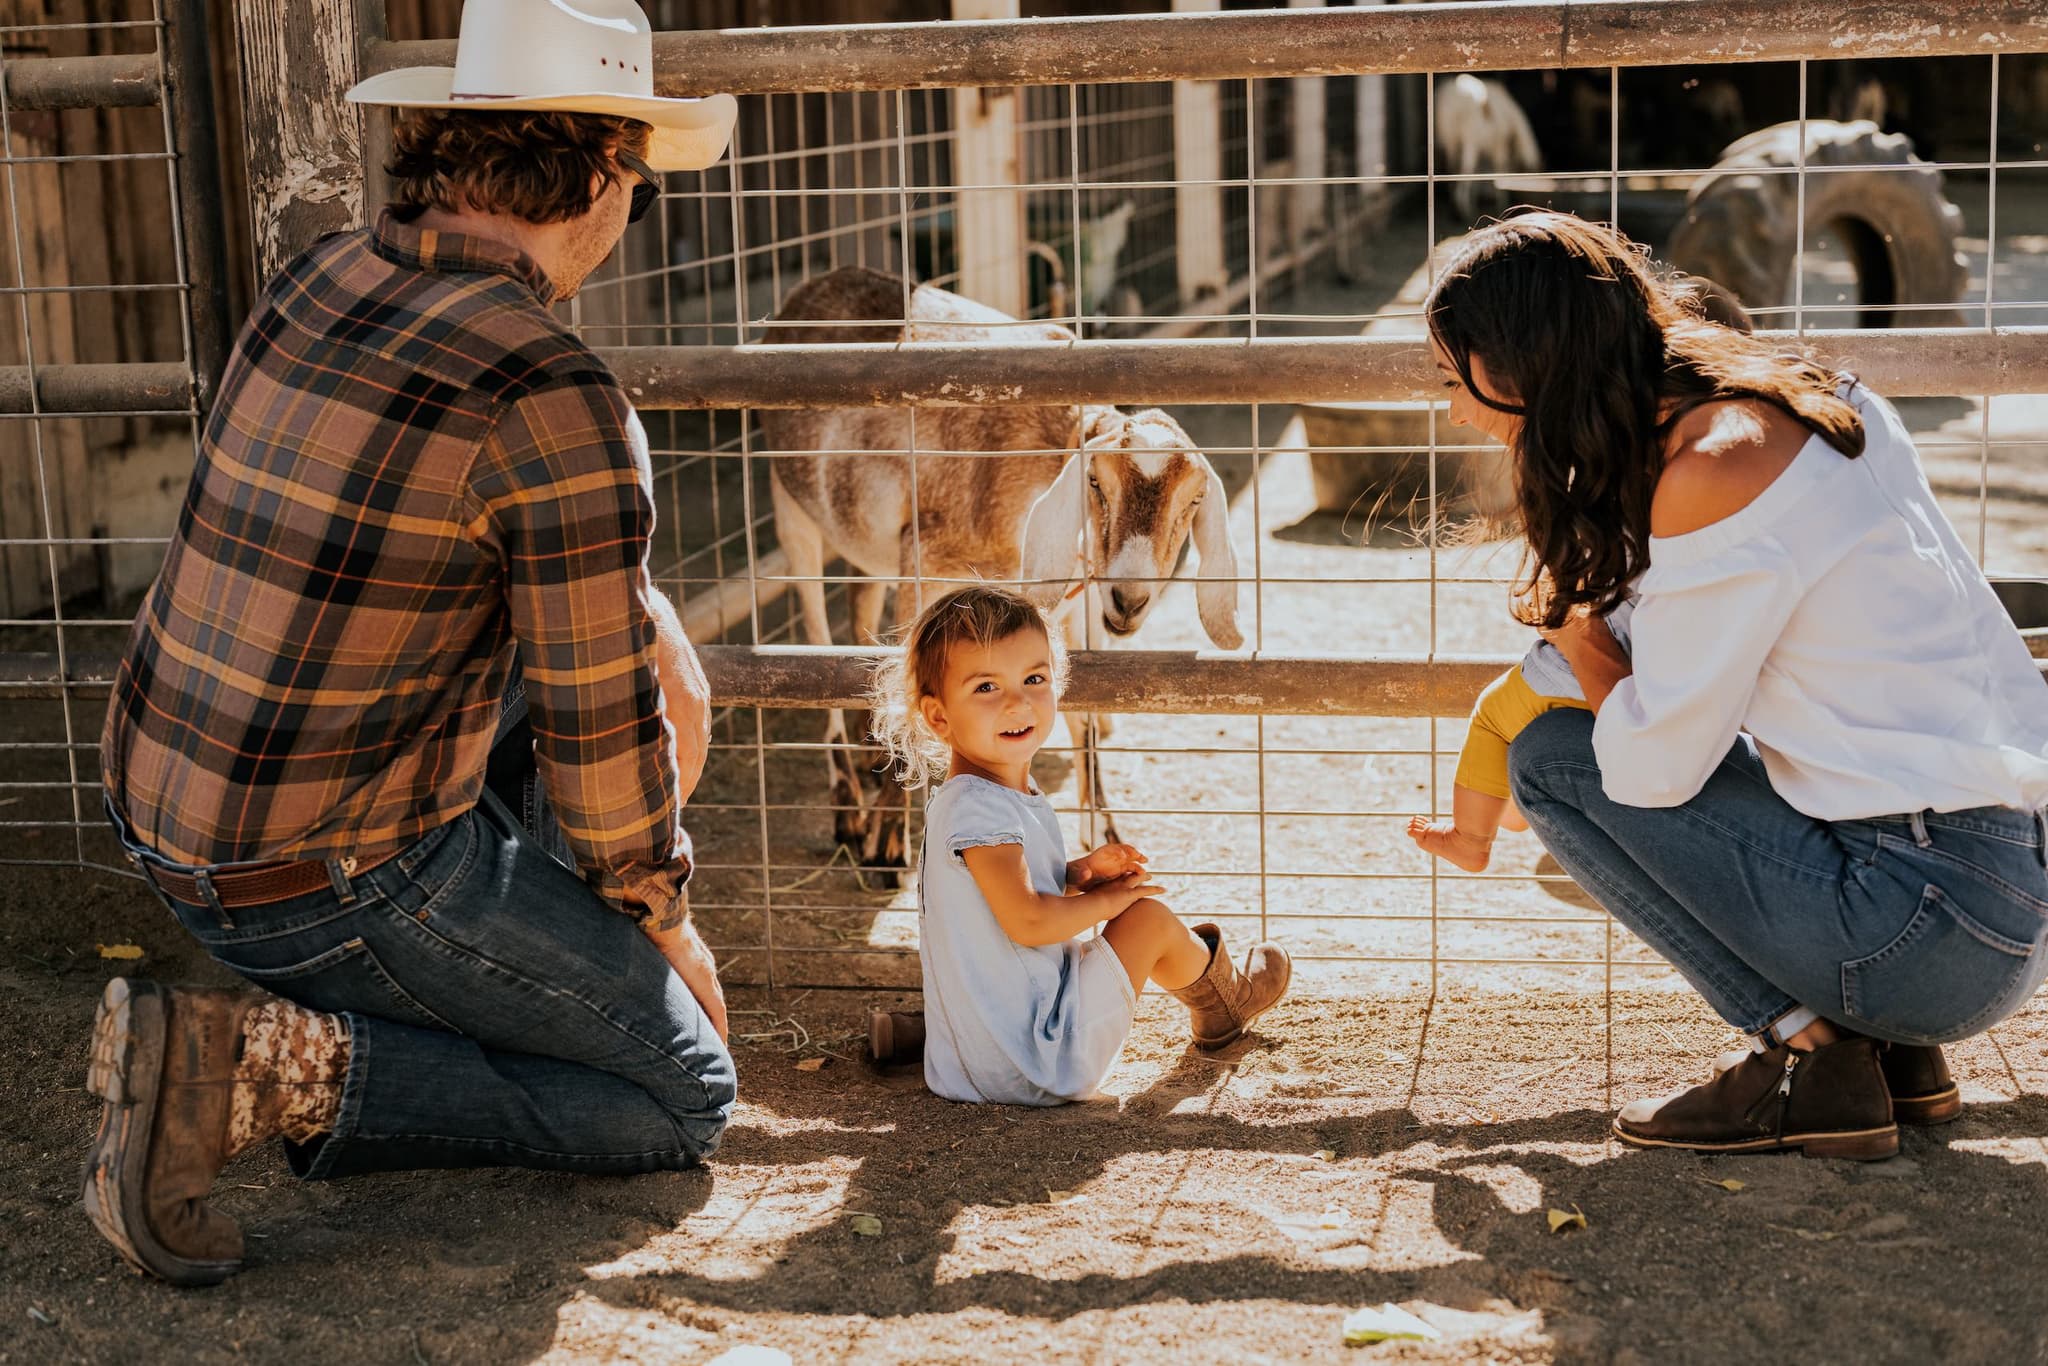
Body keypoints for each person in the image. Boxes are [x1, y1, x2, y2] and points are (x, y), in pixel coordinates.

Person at [82, 0, 741, 1285]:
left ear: (445, 143)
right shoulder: (551, 390)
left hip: (167, 816)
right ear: (605, 178)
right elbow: (603, 736)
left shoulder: (320, 270)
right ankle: (255, 1071)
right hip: (313, 875)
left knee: (635, 630)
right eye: (641, 190)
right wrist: (663, 923)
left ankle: (498, 976)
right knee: (681, 1095)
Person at [1424, 210, 2048, 1160]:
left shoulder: (1714, 470)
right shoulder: (1807, 395)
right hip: (1999, 890)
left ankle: (1810, 1052)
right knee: (1696, 731)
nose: (1461, 411)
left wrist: (1578, 634)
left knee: (1552, 760)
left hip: (1928, 929)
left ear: (1526, 368)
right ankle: (1892, 1057)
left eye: (1456, 378)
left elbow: (1653, 773)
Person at [868, 585, 1292, 1104]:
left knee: (1124, 922)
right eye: (985, 688)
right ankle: (1226, 1003)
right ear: (938, 717)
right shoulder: (979, 808)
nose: (1018, 701)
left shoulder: (982, 796)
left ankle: (930, 1033)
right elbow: (1028, 921)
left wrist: (1074, 874)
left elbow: (997, 894)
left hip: (971, 1062)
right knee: (1147, 919)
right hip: (1036, 1060)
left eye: (1033, 679)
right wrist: (1112, 901)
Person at [1408, 592, 1636, 872]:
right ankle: (1509, 809)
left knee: (1491, 715)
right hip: (1634, 681)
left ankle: (1470, 839)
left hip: (1566, 676)